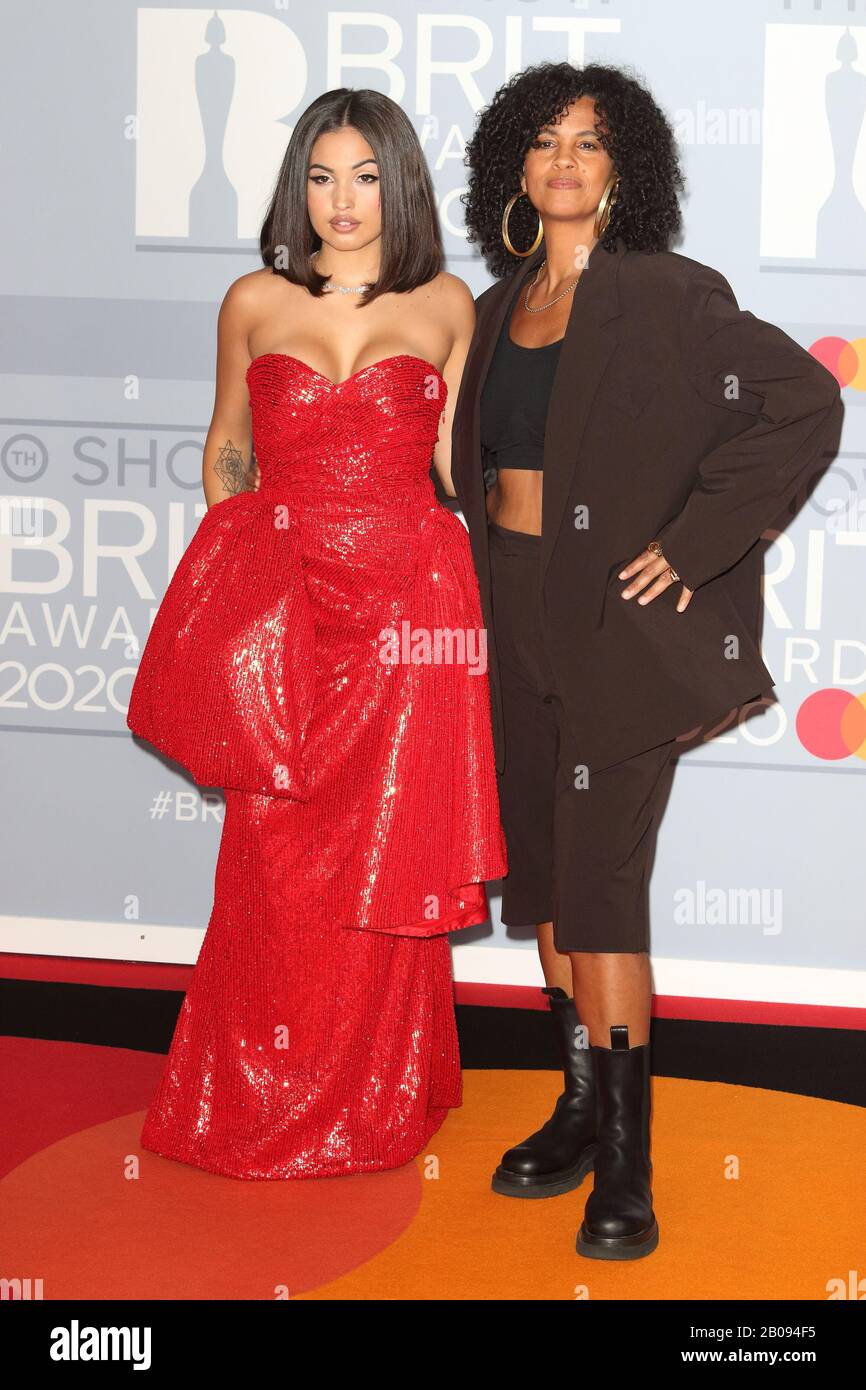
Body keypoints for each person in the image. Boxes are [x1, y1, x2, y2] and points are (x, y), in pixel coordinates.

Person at [452, 61, 843, 1258]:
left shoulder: (665, 294)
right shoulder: (492, 309)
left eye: (589, 141)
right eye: (543, 141)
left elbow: (804, 401)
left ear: (624, 168)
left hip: (612, 635)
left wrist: (693, 543)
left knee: (601, 892)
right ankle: (577, 1107)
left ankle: (626, 1160)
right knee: (545, 886)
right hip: (508, 613)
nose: (564, 160)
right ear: (513, 166)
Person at [126, 87, 507, 1180]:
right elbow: (227, 450)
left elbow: (453, 468)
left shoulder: (447, 303)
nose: (343, 200)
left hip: (404, 622)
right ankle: (253, 1097)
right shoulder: (253, 299)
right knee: (271, 857)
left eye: (366, 176)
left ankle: (371, 1099)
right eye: (323, 177)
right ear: (298, 187)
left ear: (401, 183)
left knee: (388, 856)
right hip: (286, 611)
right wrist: (241, 585)